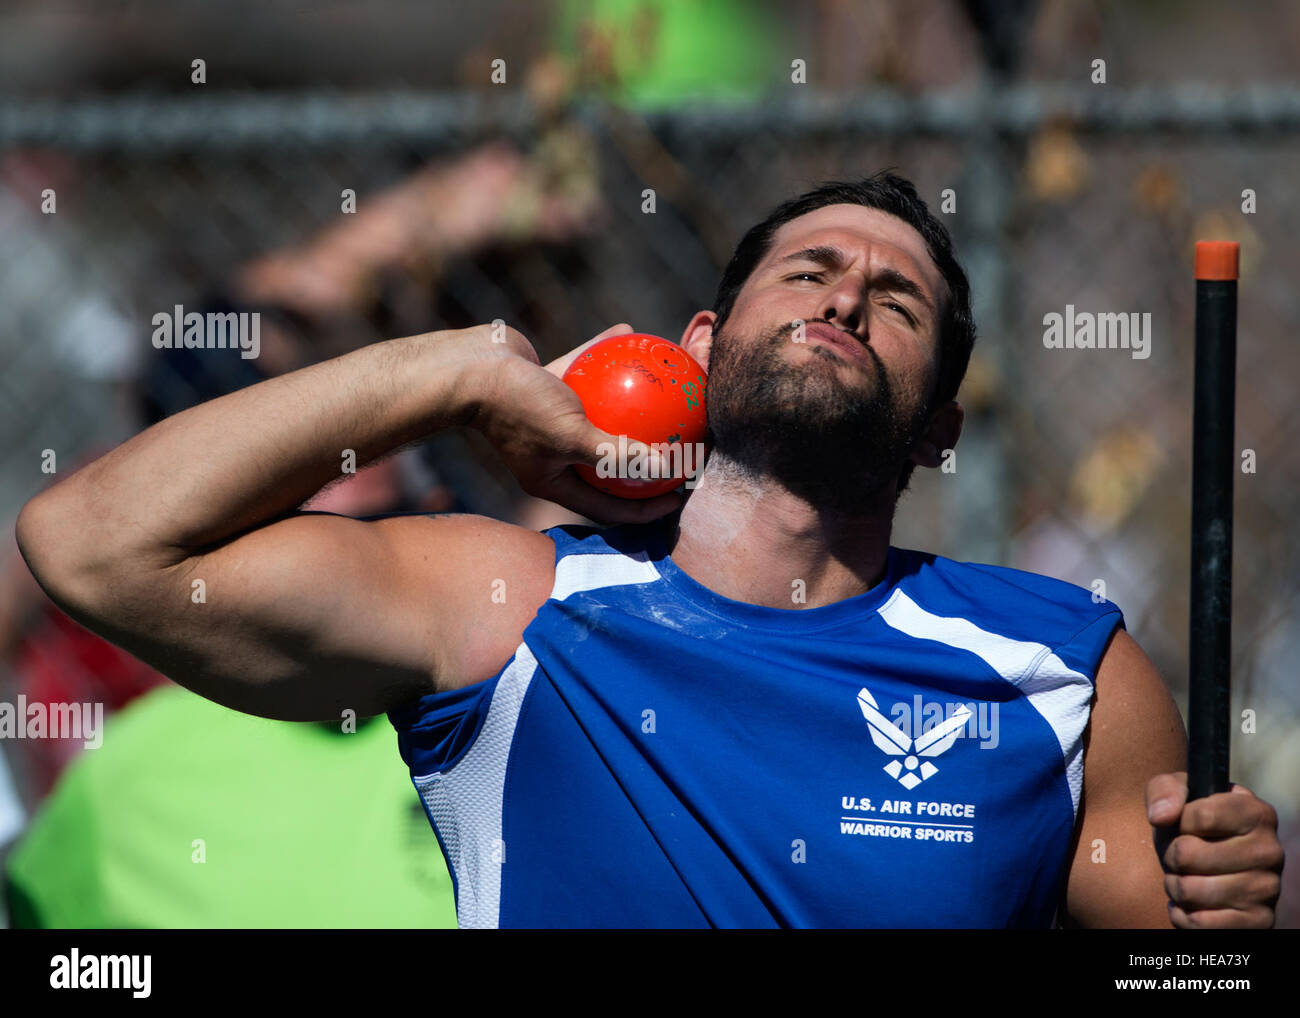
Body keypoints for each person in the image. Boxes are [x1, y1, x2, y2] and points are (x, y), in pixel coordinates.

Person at [14, 173, 1283, 929]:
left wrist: (1225, 916)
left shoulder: (1065, 670)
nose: (844, 299)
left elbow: (1181, 961)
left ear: (940, 426)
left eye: (895, 302)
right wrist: (454, 373)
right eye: (809, 273)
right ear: (701, 339)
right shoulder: (507, 604)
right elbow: (93, 545)